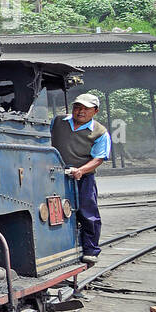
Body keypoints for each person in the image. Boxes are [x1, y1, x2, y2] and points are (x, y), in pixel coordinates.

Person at [50, 93, 110, 265]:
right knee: (54, 212)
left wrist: (81, 171)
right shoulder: (58, 122)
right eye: (77, 107)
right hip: (54, 173)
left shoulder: (100, 132)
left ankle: (91, 250)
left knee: (87, 212)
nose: (80, 111)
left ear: (95, 111)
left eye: (85, 109)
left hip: (83, 176)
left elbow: (98, 158)